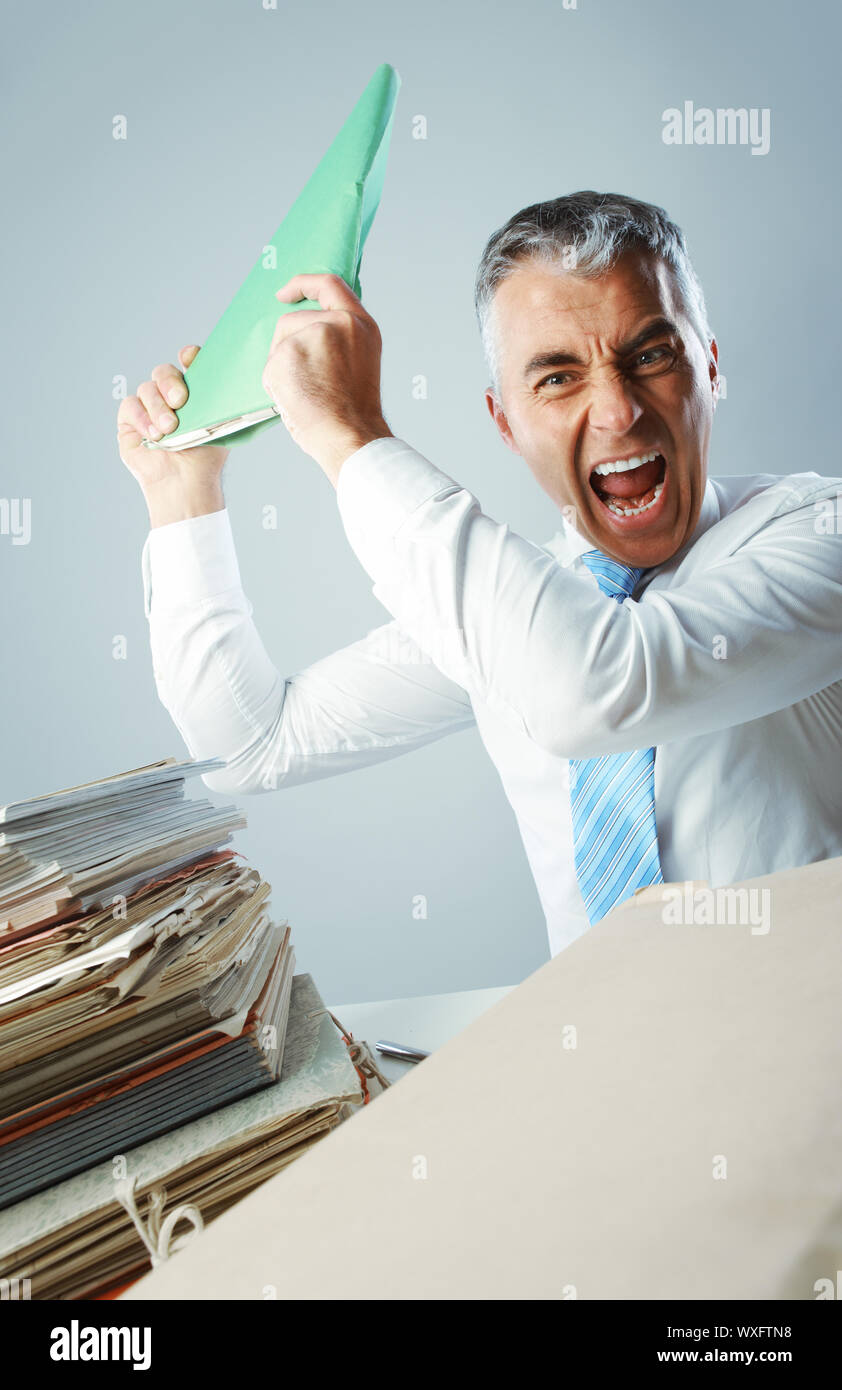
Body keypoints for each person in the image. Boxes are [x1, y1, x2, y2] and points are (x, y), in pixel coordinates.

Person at [117, 191, 842, 956]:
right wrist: (183, 494)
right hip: (595, 1060)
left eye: (652, 357)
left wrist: (352, 435)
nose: (619, 411)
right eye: (558, 378)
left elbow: (595, 691)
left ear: (711, 369)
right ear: (505, 422)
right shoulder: (515, 616)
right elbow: (250, 745)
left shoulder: (817, 531)